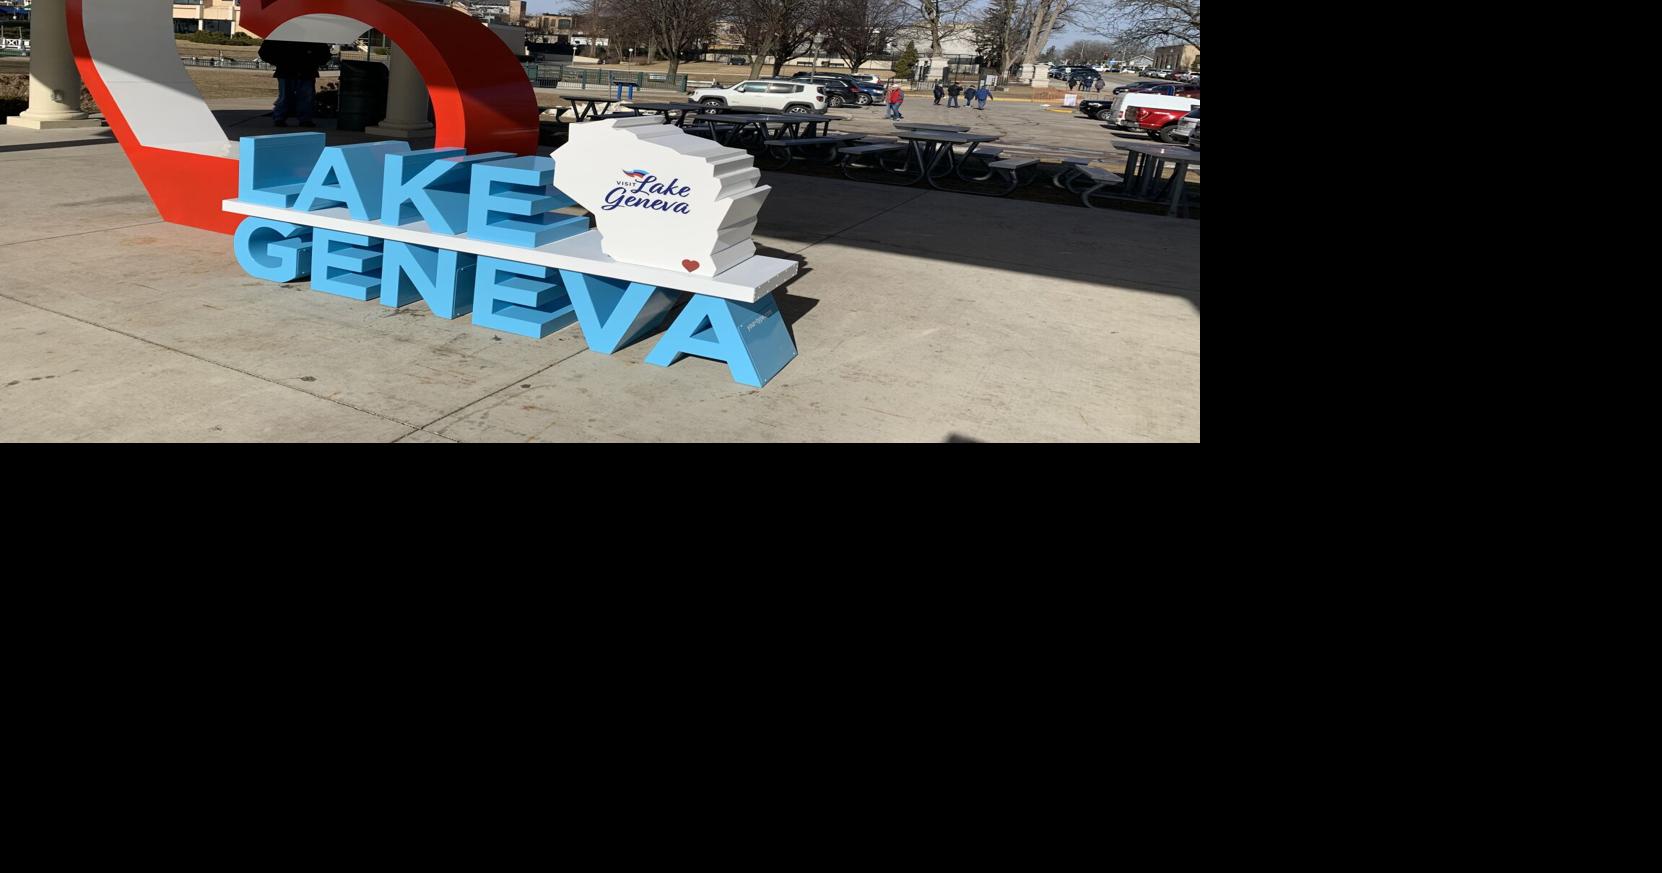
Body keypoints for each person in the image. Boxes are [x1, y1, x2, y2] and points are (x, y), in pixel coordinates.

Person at [258, 39, 333, 128]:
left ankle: (298, 119)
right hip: (290, 70)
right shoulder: (280, 36)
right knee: (288, 96)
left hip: (303, 70)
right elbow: (264, 52)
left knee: (302, 97)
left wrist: (314, 60)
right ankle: (282, 118)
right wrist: (279, 61)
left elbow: (324, 53)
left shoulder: (311, 36)